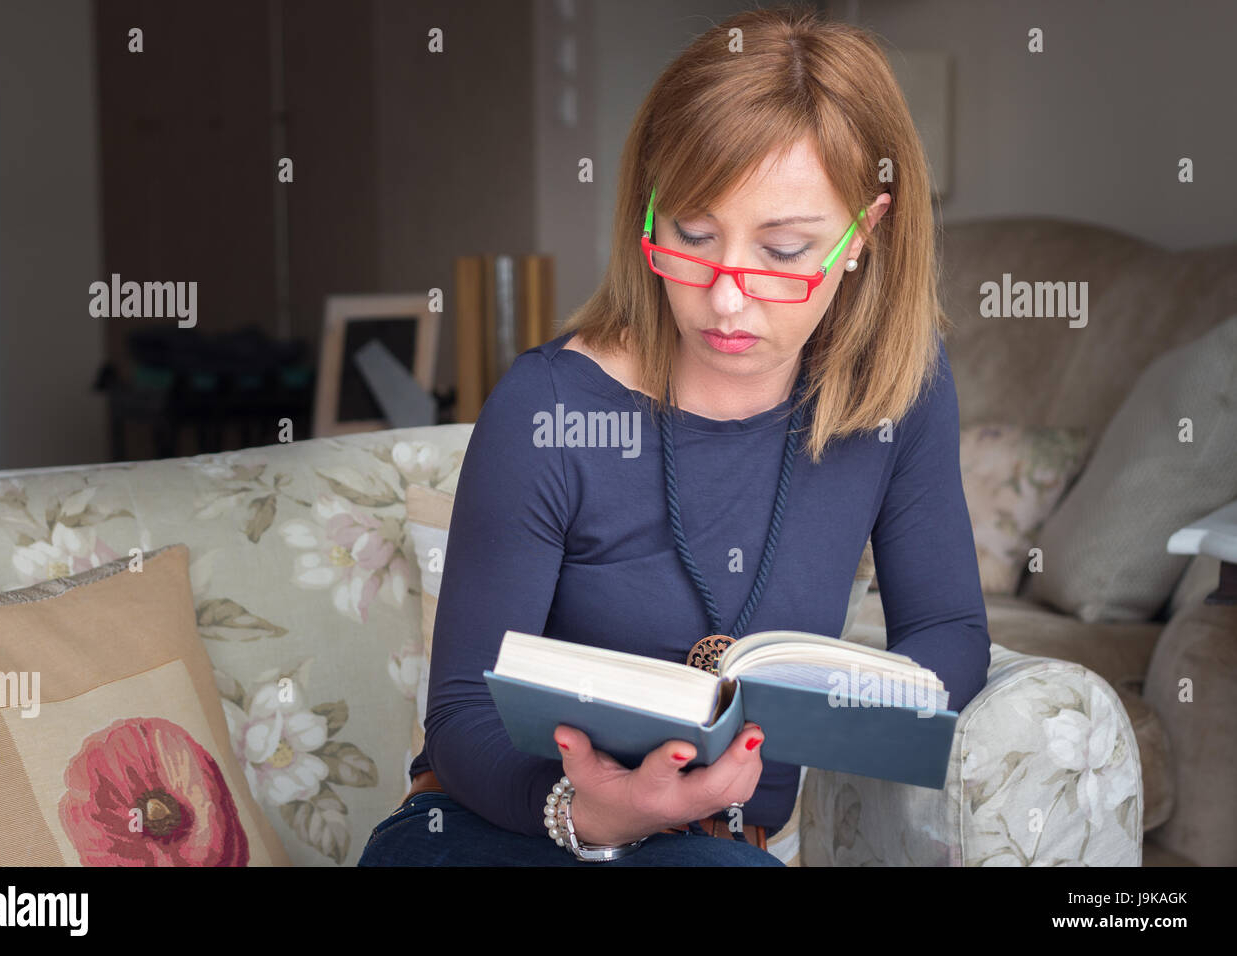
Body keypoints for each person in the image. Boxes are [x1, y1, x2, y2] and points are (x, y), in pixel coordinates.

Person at [359, 5, 991, 867]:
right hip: (497, 832)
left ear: (863, 235)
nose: (727, 298)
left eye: (783, 250)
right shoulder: (548, 408)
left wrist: (839, 708)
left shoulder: (900, 394)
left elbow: (950, 629)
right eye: (693, 236)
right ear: (647, 213)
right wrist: (588, 811)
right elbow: (464, 711)